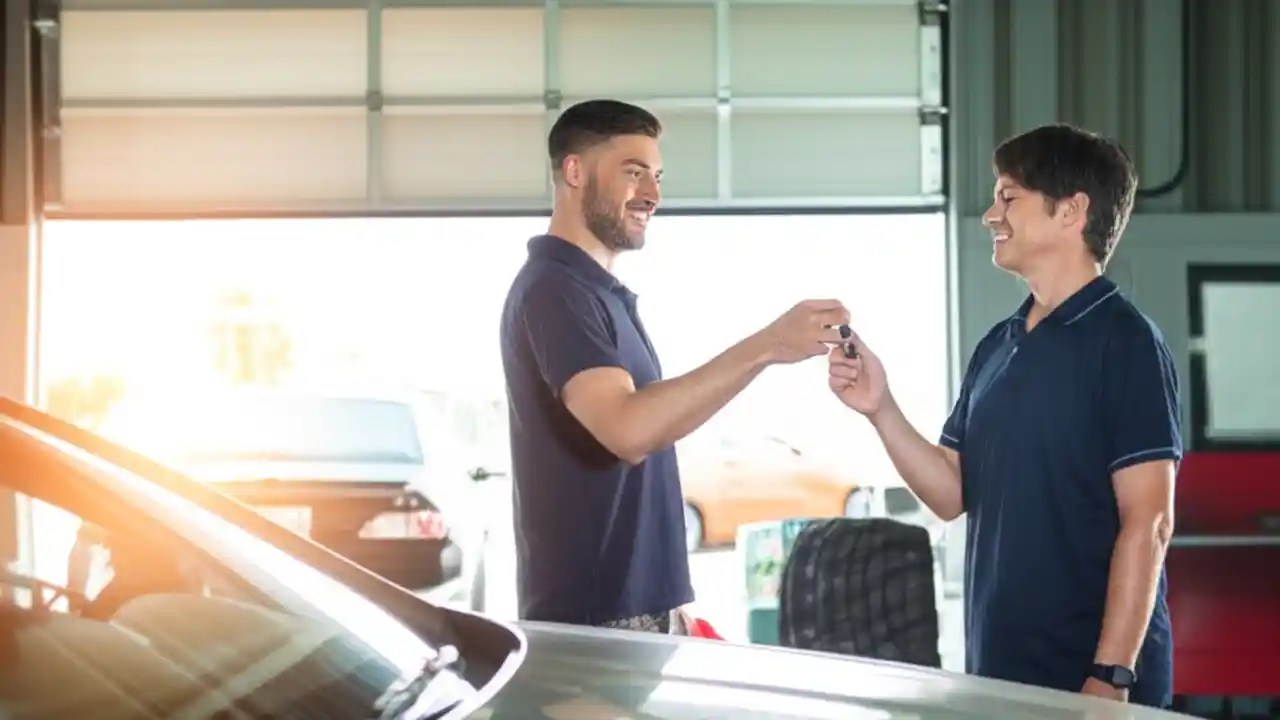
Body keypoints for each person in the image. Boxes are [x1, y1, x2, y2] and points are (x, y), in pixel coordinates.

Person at [828, 124, 1181, 707]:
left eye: (1008, 197)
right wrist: (880, 407)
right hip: (1001, 670)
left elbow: (1149, 520)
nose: (991, 214)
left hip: (1092, 682)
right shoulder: (999, 344)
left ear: (1072, 211)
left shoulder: (1127, 344)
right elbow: (950, 494)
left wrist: (1113, 674)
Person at [499, 99, 849, 633]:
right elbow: (629, 428)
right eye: (633, 173)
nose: (653, 195)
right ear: (574, 171)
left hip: (637, 610)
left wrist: (669, 606)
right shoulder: (555, 291)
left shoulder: (598, 294)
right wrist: (769, 345)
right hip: (597, 622)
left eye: (657, 176)